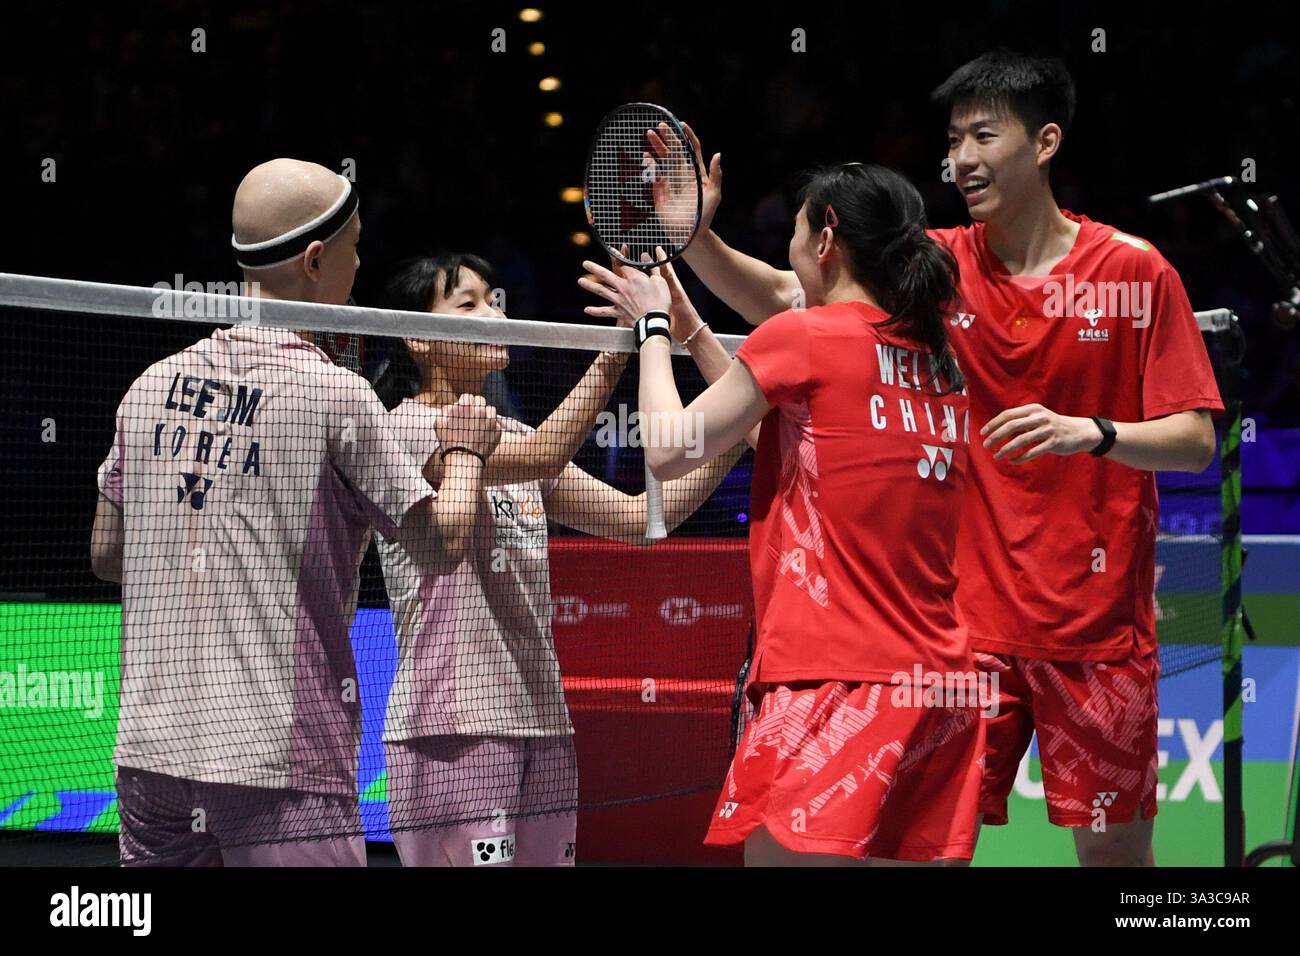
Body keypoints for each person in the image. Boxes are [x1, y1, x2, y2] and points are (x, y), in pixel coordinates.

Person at [660, 51, 1222, 866]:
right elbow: (798, 297)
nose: (959, 159)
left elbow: (1196, 438)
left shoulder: (1132, 272)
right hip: (969, 636)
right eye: (953, 139)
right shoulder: (940, 268)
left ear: (1046, 142)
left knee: (1119, 862)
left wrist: (1090, 432)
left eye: (982, 136)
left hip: (1096, 629)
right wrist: (697, 237)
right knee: (925, 852)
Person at [89, 159, 501, 866]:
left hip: (149, 755)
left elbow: (106, 554)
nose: (361, 261)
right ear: (316, 260)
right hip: (278, 760)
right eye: (355, 245)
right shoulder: (333, 395)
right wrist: (465, 450)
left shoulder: (149, 385)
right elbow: (438, 548)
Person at [584, 164, 984, 865]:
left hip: (832, 685)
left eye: (795, 230)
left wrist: (651, 329)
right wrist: (694, 331)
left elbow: (670, 451)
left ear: (825, 239)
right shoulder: (938, 363)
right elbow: (791, 440)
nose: (787, 248)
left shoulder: (802, 334)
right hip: (939, 689)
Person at [372, 251, 743, 866]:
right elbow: (547, 454)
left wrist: (734, 431)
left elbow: (640, 520)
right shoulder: (404, 433)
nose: (492, 314)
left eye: (495, 300)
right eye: (467, 305)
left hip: (541, 721)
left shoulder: (510, 438)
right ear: (418, 338)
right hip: (454, 725)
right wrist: (623, 344)